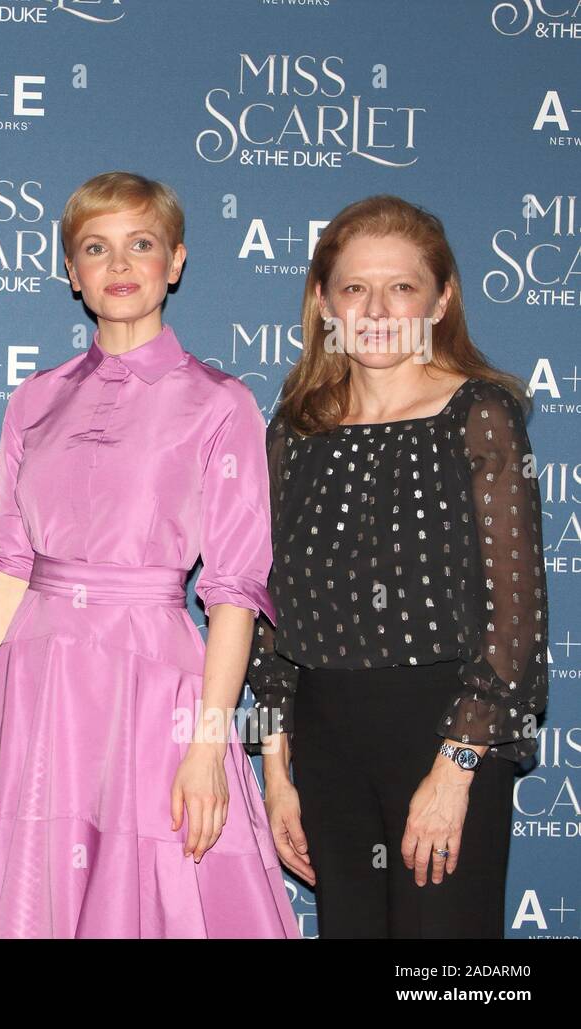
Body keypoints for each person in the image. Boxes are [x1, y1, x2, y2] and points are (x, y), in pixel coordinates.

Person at [0, 172, 299, 938]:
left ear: (176, 261)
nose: (119, 264)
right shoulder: (34, 398)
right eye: (96, 247)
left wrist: (209, 744)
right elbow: (11, 568)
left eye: (141, 244)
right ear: (71, 272)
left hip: (154, 686)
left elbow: (232, 591)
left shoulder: (221, 403)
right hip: (39, 688)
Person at [245, 195, 548, 938]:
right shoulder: (295, 427)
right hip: (322, 738)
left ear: (441, 298)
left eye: (402, 286)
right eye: (354, 287)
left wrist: (456, 766)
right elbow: (266, 615)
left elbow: (517, 618)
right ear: (322, 301)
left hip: (443, 728)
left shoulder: (479, 412)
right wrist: (276, 774)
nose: (376, 307)